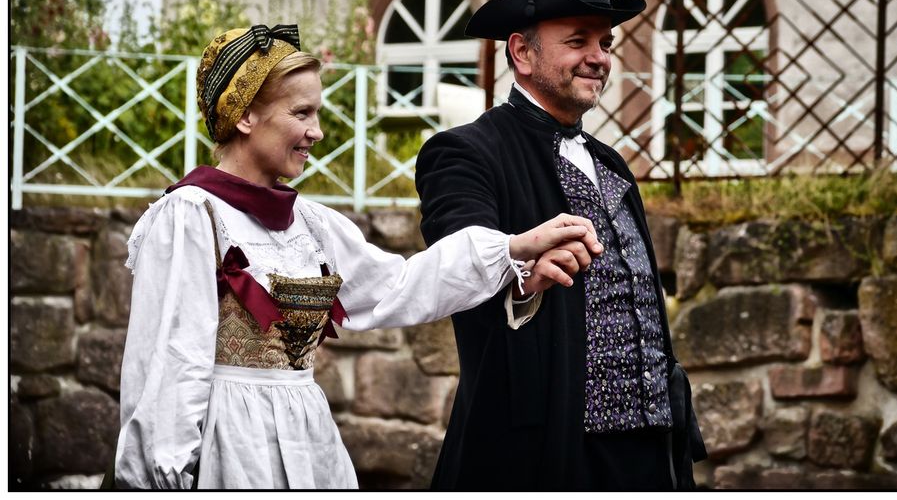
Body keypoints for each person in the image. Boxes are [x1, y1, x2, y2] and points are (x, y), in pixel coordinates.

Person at [113, 24, 602, 489]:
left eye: (317, 114)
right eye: (301, 113)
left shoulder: (311, 223)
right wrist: (160, 478)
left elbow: (399, 286)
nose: (317, 132)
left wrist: (511, 248)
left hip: (307, 442)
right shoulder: (190, 215)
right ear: (245, 116)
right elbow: (172, 366)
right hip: (231, 446)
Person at [415, 0, 706, 491]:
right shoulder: (465, 152)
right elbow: (456, 259)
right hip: (541, 448)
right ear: (522, 53)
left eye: (605, 43)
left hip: (650, 447)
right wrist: (522, 275)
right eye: (577, 41)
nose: (599, 57)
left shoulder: (612, 163)